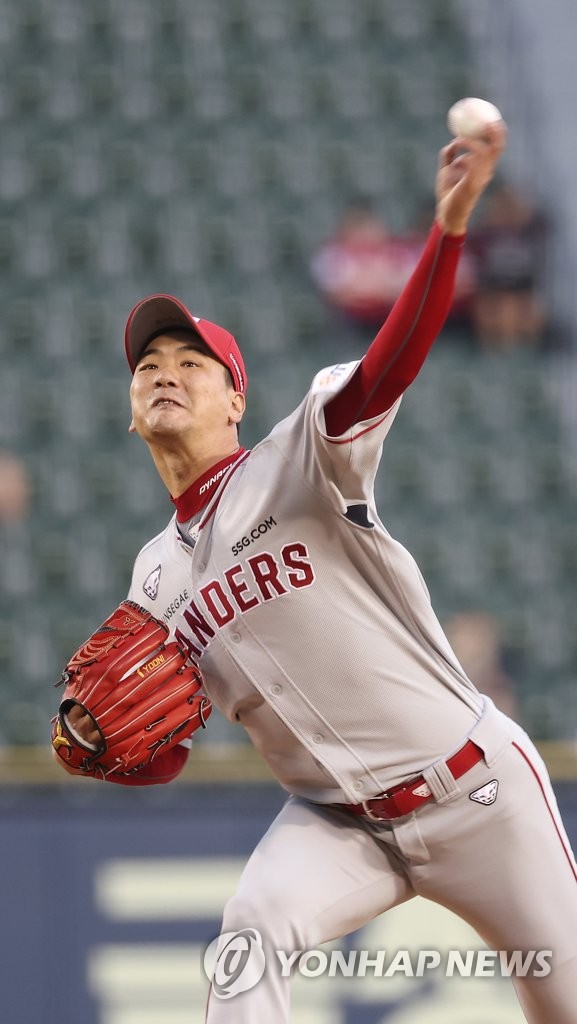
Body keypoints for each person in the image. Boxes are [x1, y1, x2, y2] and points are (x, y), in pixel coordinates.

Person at [59, 122, 577, 1023]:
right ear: (132, 414)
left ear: (236, 397)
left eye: (192, 361)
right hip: (339, 822)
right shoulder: (153, 579)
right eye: (148, 365)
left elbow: (390, 364)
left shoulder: (299, 457)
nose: (165, 373)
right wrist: (108, 750)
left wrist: (449, 227)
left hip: (476, 792)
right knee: (249, 928)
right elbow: (166, 749)